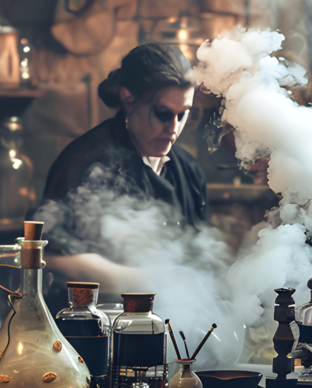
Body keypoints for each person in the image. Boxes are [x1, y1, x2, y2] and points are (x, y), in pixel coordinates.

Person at [41, 43, 207, 293]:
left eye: (182, 115)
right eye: (163, 113)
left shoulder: (187, 170)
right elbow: (50, 258)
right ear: (128, 99)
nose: (173, 128)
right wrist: (146, 280)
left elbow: (202, 253)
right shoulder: (87, 162)